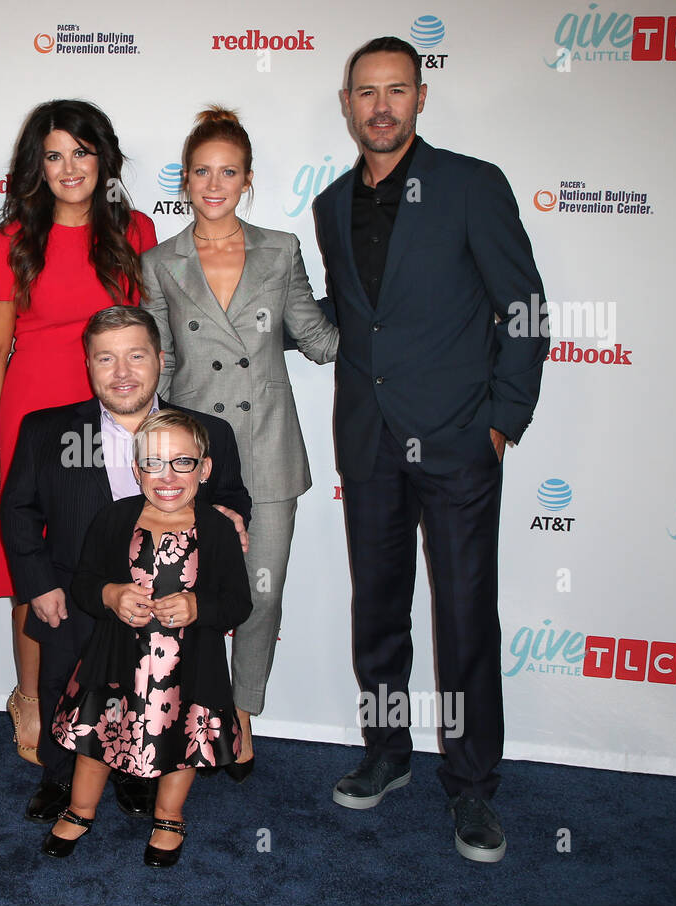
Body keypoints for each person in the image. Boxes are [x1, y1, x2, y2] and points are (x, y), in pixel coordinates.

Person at [312, 37, 548, 862]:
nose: (380, 106)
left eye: (396, 91)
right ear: (347, 104)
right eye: (365, 92)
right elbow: (352, 319)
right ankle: (386, 753)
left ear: (420, 98)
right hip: (369, 443)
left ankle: (473, 785)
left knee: (463, 619)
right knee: (377, 612)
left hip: (456, 442)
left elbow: (523, 307)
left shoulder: (471, 186)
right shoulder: (332, 204)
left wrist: (502, 420)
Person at [141, 106, 338, 780]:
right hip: (193, 463)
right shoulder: (160, 261)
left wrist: (389, 319)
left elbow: (315, 337)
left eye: (229, 171)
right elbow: (163, 362)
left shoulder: (281, 249)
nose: (215, 184)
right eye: (203, 171)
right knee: (185, 592)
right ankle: (192, 712)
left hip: (270, 449)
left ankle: (240, 716)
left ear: (247, 178)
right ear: (186, 179)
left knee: (261, 595)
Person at [0, 305, 251, 826]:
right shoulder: (46, 430)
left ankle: (139, 772)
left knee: (151, 690)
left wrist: (229, 516)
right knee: (65, 684)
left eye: (136, 356)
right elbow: (18, 509)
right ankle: (59, 775)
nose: (122, 372)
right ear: (88, 366)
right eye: (106, 359)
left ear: (160, 360)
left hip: (166, 599)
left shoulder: (209, 432)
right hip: (73, 592)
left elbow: (230, 497)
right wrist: (38, 585)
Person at [0, 100, 157, 767]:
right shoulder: (13, 242)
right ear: (38, 167)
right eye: (54, 155)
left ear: (103, 159)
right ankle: (30, 697)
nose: (69, 167)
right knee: (33, 563)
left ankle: (108, 701)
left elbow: (145, 337)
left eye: (81, 152)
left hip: (114, 411)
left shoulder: (134, 232)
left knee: (112, 556)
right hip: (33, 417)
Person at [43, 410, 252, 866]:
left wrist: (199, 608)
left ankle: (168, 816)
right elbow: (84, 584)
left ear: (205, 468)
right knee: (96, 738)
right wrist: (110, 594)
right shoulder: (114, 517)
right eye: (154, 463)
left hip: (192, 663)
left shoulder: (217, 528)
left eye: (183, 462)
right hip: (115, 658)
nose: (168, 476)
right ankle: (79, 809)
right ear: (136, 469)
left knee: (181, 746)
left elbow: (239, 602)